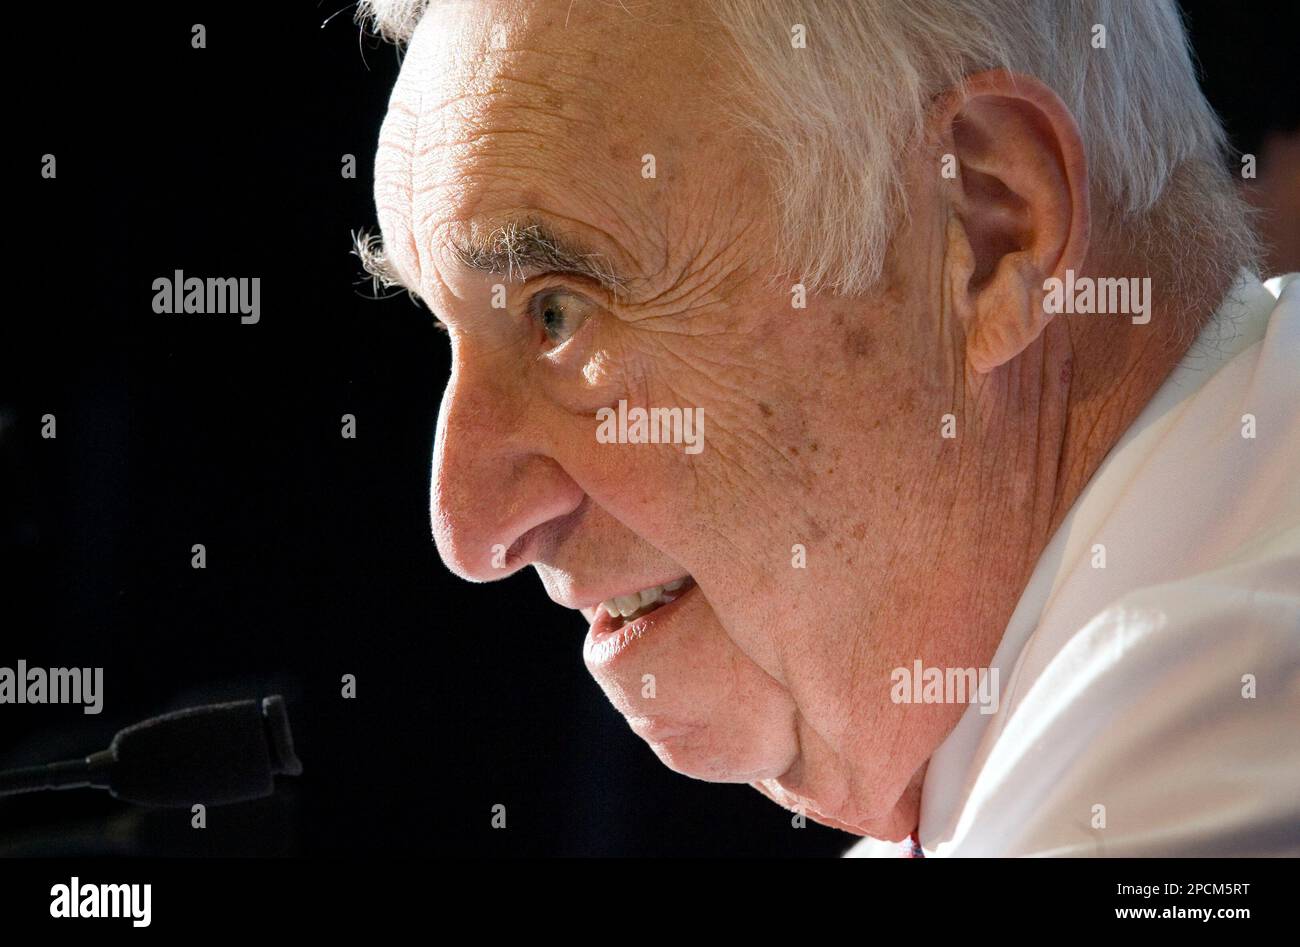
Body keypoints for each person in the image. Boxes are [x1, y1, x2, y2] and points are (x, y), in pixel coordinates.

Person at [353, 0, 1298, 855]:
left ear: (987, 228)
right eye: (449, 332)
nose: (468, 527)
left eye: (558, 313)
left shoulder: (1199, 738)